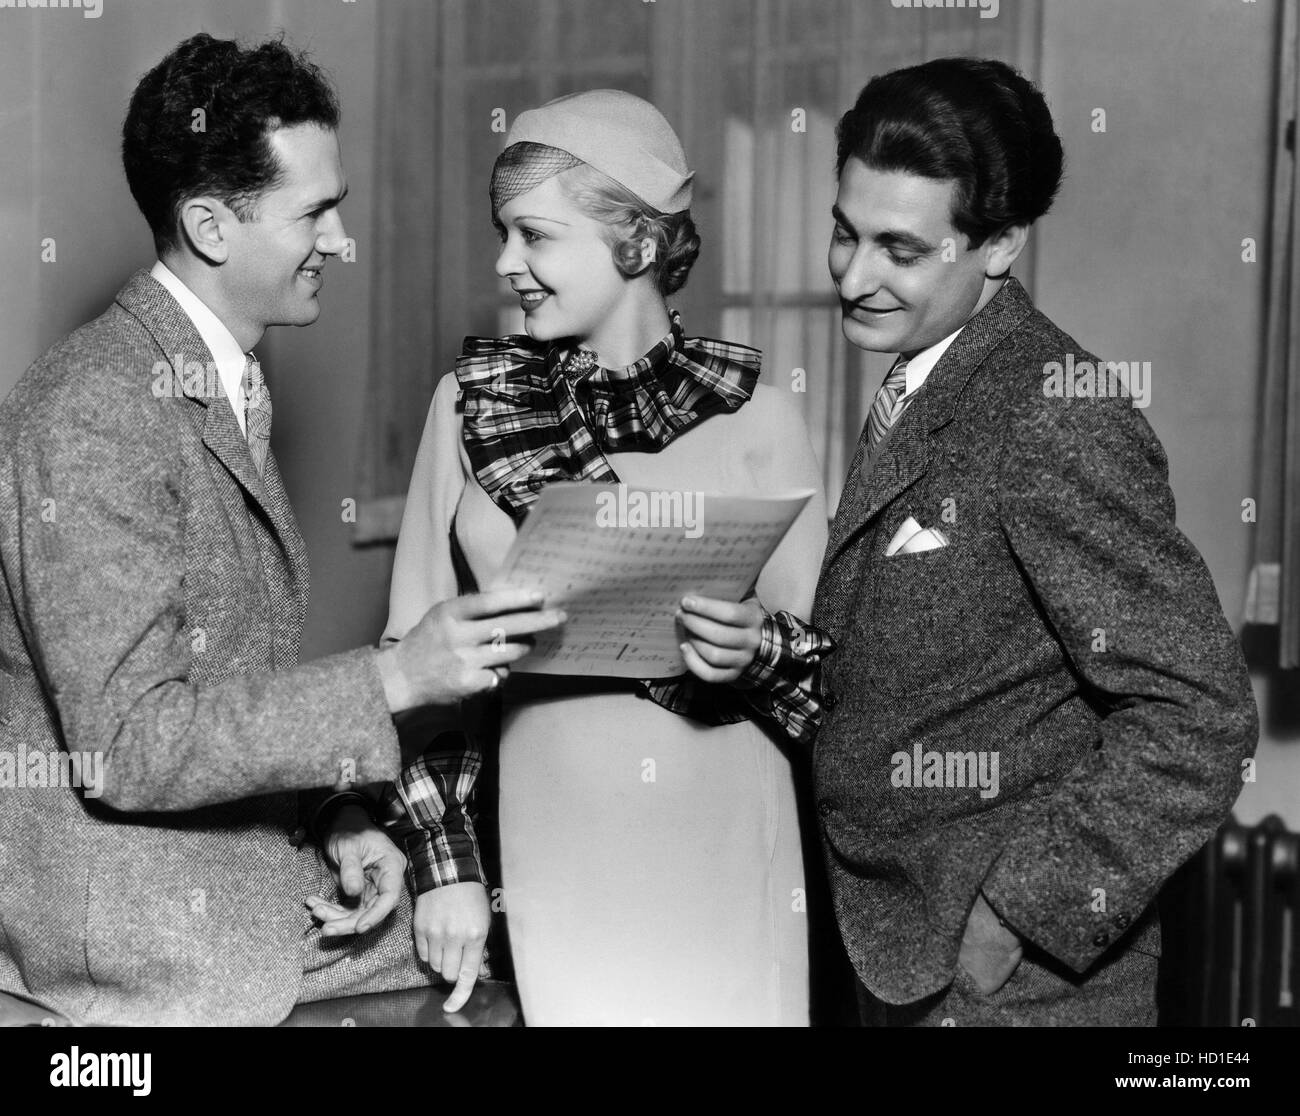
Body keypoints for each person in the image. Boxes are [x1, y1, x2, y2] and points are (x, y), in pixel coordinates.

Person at [0, 33, 561, 1027]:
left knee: (530, 920)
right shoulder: (92, 408)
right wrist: (394, 680)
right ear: (212, 226)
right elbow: (128, 746)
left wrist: (338, 814)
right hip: (137, 930)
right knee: (527, 951)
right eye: (316, 212)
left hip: (219, 868)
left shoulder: (216, 378)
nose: (341, 241)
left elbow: (221, 687)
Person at [812, 57, 1259, 1026]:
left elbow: (1199, 713)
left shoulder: (1055, 413)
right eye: (843, 233)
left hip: (1010, 997)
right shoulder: (922, 379)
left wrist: (1014, 917)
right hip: (897, 961)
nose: (852, 275)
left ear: (1001, 243)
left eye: (899, 248)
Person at [377, 90, 832, 1025]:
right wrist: (445, 866)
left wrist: (757, 647)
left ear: (635, 243)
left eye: (535, 236)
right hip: (557, 839)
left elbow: (827, 675)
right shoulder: (468, 403)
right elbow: (414, 663)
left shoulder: (763, 414)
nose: (507, 264)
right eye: (503, 234)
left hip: (730, 836)